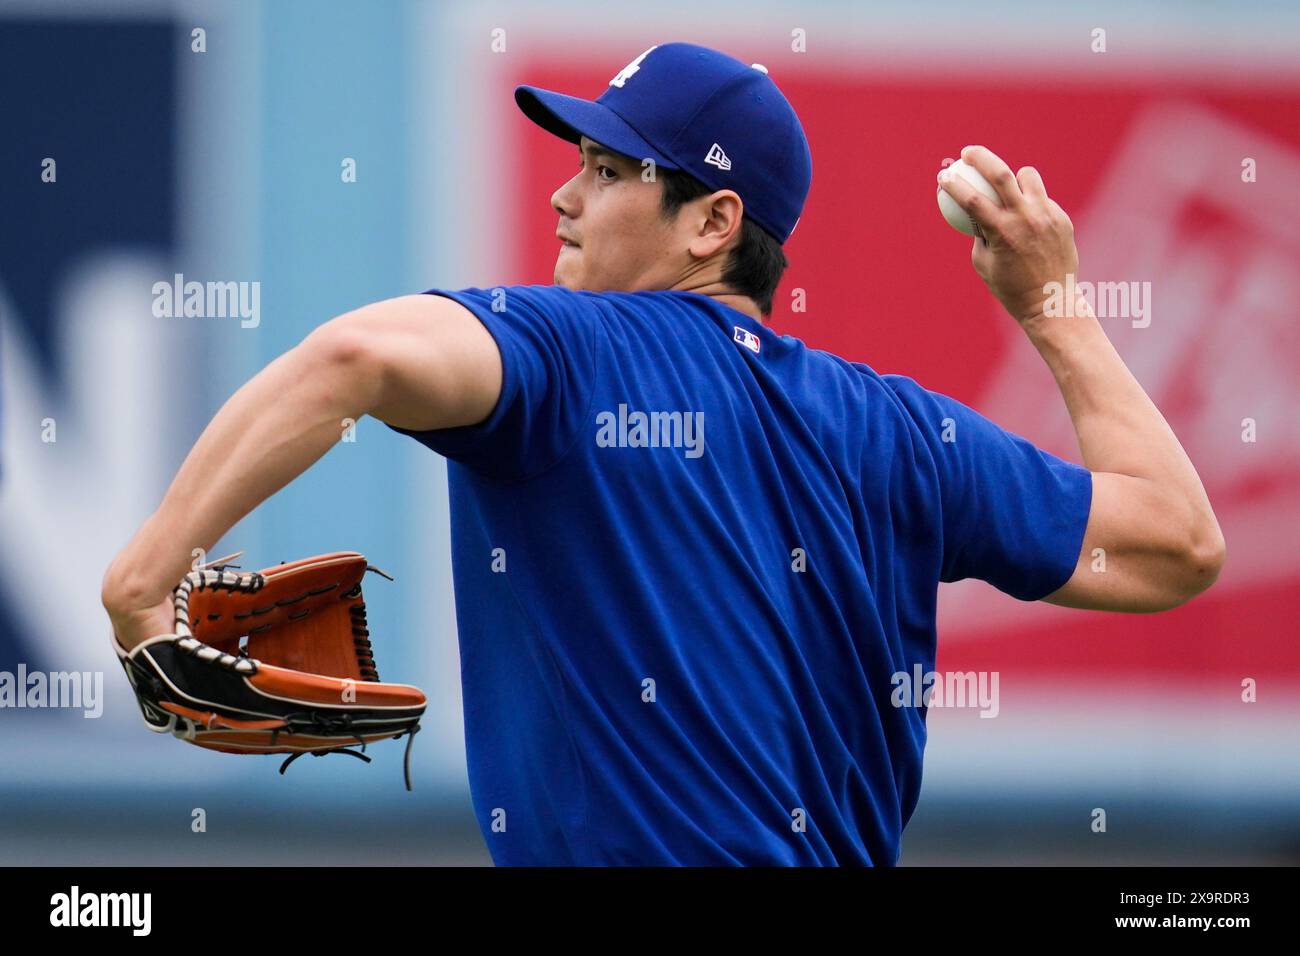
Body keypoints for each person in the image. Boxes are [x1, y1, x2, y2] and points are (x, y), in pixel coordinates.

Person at [101, 42, 1224, 865]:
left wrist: (145, 582)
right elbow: (1176, 543)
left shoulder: (569, 354)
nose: (564, 191)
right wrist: (1053, 305)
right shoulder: (900, 430)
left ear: (711, 223)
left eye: (605, 166)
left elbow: (347, 355)